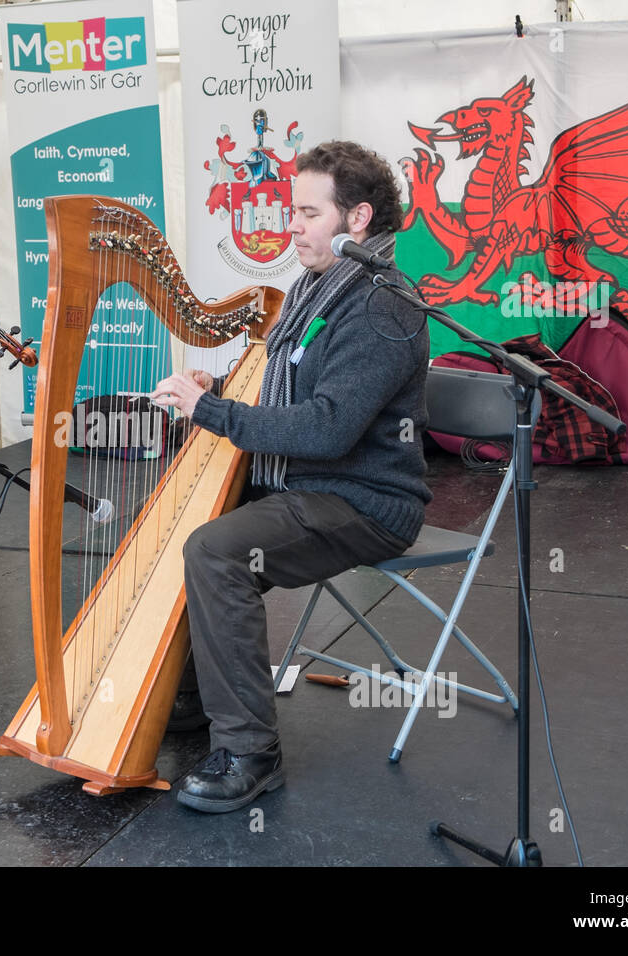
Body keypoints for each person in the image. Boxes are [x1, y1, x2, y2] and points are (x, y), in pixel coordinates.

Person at [149, 141, 431, 813]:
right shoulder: (317, 288)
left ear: (358, 218)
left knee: (214, 552)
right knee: (178, 520)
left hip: (364, 501)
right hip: (305, 484)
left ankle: (252, 752)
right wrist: (218, 384)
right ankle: (186, 691)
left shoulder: (385, 305)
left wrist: (214, 412)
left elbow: (329, 428)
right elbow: (294, 387)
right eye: (291, 209)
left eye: (307, 212)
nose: (292, 226)